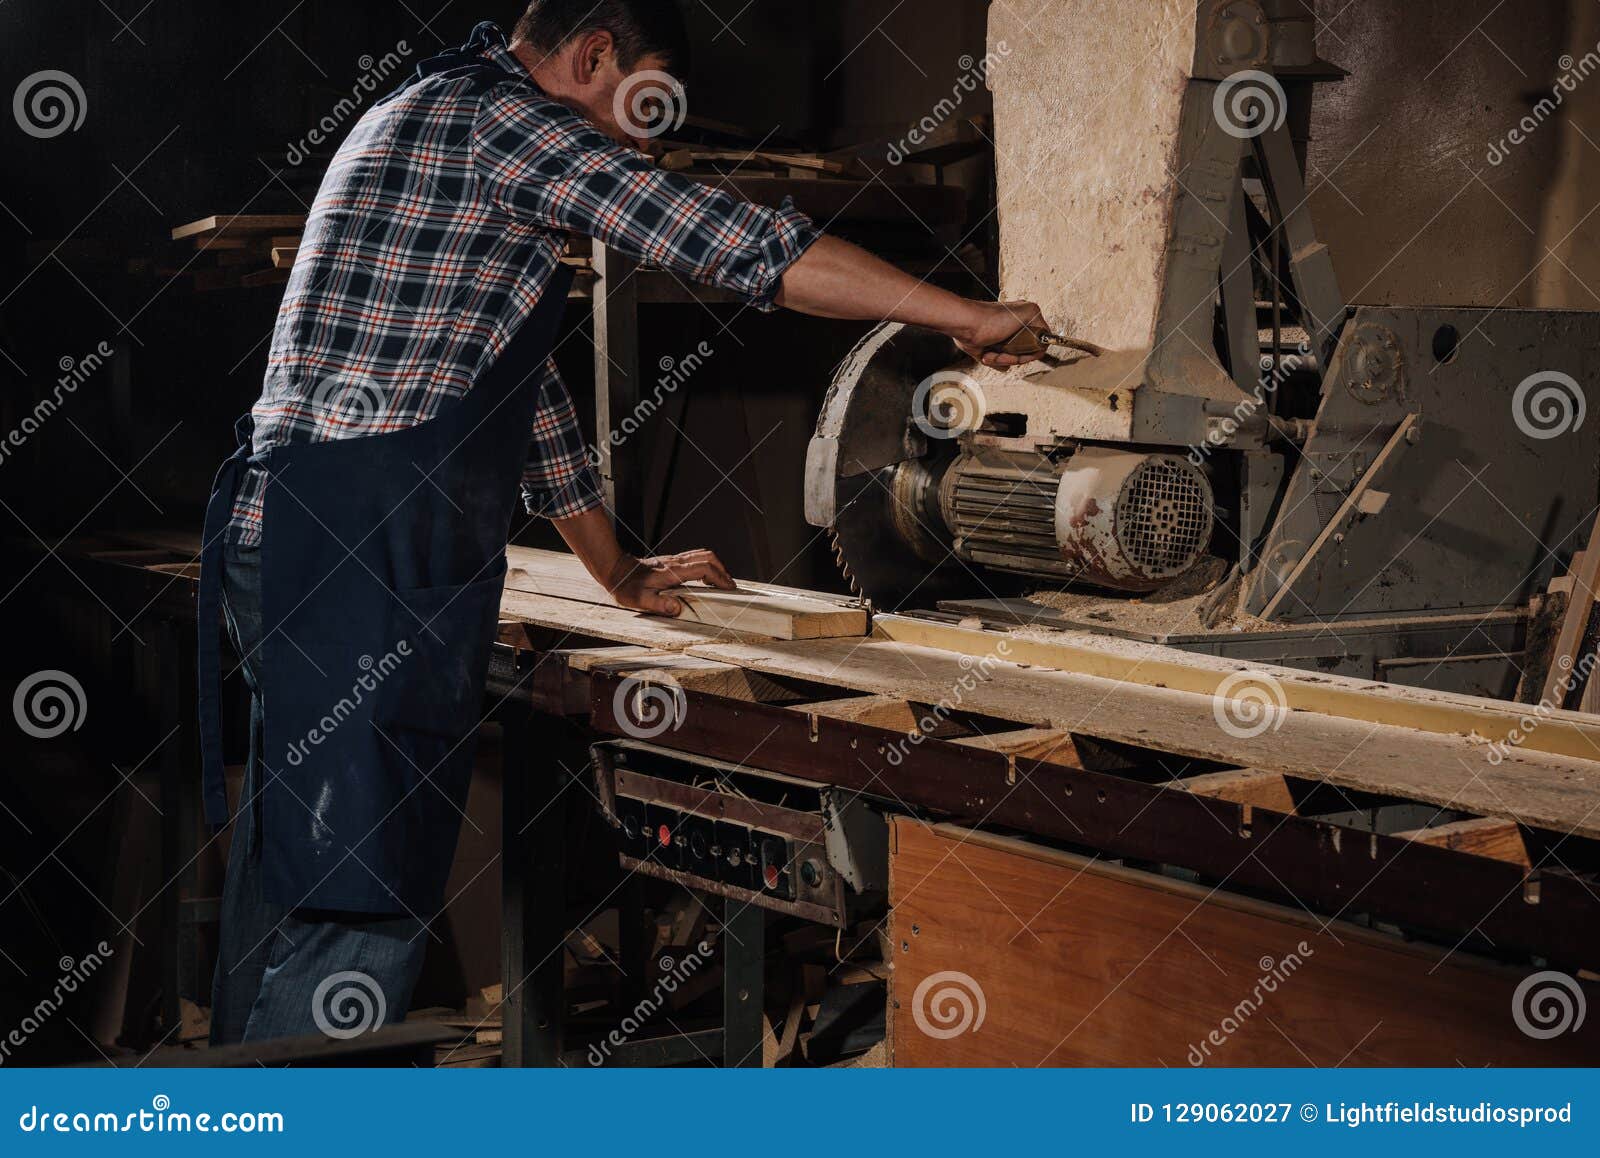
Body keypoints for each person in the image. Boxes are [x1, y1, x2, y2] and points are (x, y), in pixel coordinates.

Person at [197, 0, 1048, 1043]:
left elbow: (520, 387)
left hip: (297, 530)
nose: (639, 149)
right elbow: (742, 247)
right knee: (357, 901)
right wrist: (966, 316)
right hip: (357, 554)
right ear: (593, 55)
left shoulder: (429, 108)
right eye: (642, 118)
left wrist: (616, 570)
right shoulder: (511, 126)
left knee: (294, 871)